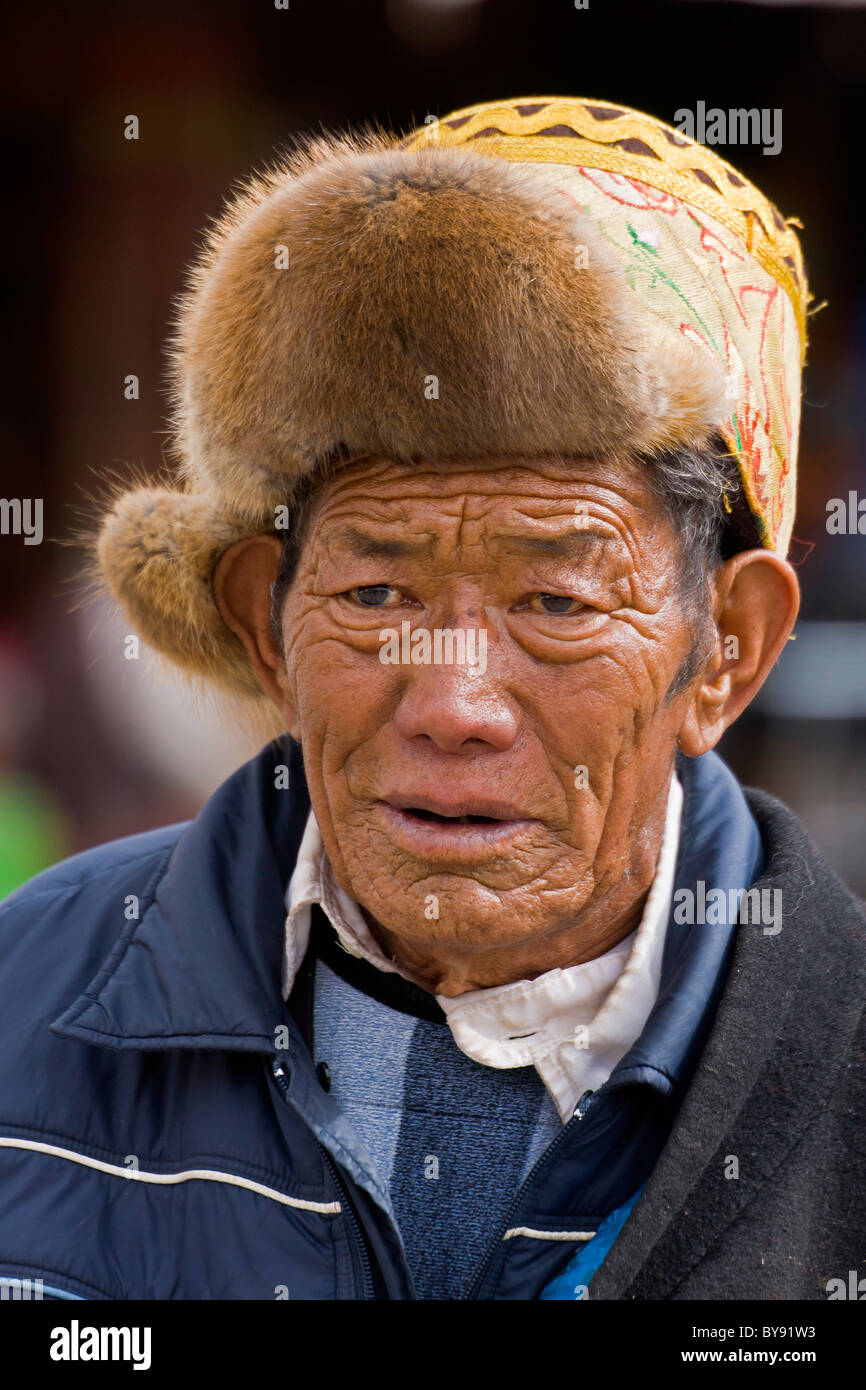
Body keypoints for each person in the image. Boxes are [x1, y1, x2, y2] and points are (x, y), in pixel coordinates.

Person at [1, 96, 863, 1302]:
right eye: (374, 587)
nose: (455, 703)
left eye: (555, 605)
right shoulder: (26, 997)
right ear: (265, 625)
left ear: (722, 648)